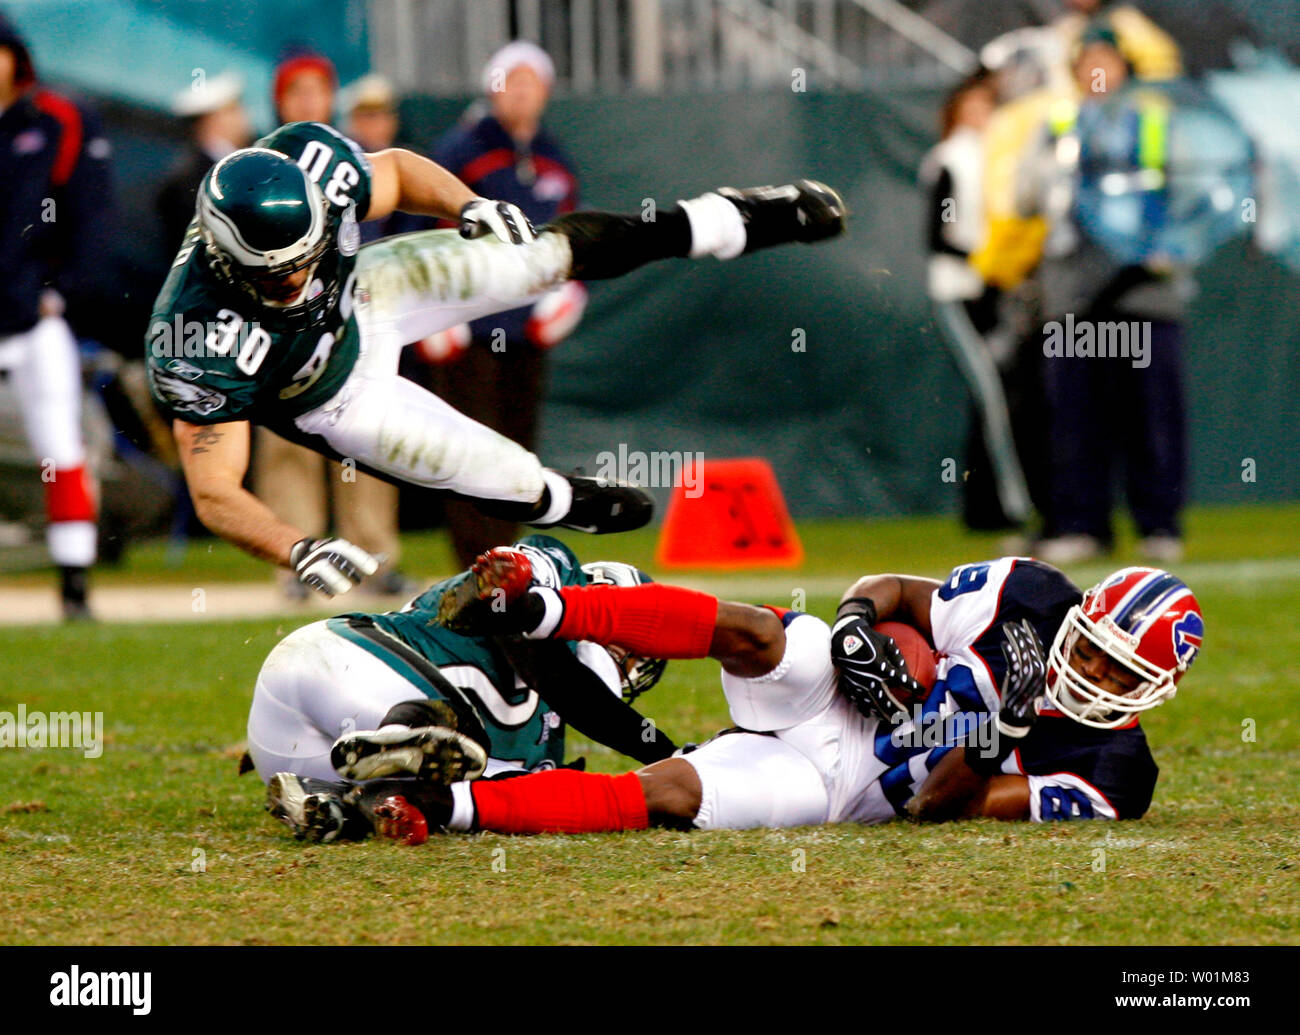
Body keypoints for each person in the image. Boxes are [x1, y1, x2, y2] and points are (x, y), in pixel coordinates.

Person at [145, 113, 846, 598]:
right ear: (226, 257)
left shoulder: (312, 169)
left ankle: (727, 218)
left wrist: (466, 204)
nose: (295, 280)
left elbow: (393, 171)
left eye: (303, 259)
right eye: (276, 275)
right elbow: (214, 488)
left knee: (538, 256)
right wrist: (293, 546)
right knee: (501, 475)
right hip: (330, 394)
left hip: (367, 294)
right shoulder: (194, 333)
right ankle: (564, 500)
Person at [318, 545, 1201, 840]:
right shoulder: (1034, 596)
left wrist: (984, 733)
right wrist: (858, 625)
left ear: (1155, 689)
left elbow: (939, 813)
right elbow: (895, 591)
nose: (1090, 671)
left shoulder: (1115, 771)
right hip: (850, 701)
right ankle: (537, 603)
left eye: (1121, 673)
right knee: (764, 633)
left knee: (672, 795)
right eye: (1090, 646)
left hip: (852, 787)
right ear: (1077, 617)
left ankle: (438, 804)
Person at [253, 535, 681, 843]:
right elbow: (562, 675)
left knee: (449, 783)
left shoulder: (548, 740)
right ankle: (401, 733)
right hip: (344, 657)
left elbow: (496, 802)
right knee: (460, 741)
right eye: (633, 646)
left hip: (292, 744)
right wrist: (670, 758)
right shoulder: (557, 572)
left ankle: (335, 805)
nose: (632, 662)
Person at [255, 51, 415, 600]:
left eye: (316, 91)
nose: (306, 102)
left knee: (364, 434)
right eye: (295, 92)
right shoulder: (259, 161)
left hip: (352, 311)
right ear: (279, 101)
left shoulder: (349, 160)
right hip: (280, 317)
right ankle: (295, 558)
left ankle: (373, 556)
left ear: (331, 98)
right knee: (287, 446)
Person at [1028, 28, 1190, 564]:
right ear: (1075, 69)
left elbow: (1192, 194)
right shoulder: (1056, 124)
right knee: (1074, 415)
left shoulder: (1156, 120)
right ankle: (1080, 525)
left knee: (1151, 413)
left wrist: (1170, 247)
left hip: (1144, 293)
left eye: (1109, 60)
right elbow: (1021, 194)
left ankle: (1159, 525)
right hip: (1074, 293)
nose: (1099, 71)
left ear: (1125, 66)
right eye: (1088, 61)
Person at [428, 41, 585, 568]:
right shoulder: (462, 148)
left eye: (531, 83)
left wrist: (567, 289)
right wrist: (436, 306)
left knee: (518, 442)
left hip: (527, 324)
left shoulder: (554, 152)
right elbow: (431, 225)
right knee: (468, 440)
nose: (522, 93)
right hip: (470, 321)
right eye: (512, 82)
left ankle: (508, 552)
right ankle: (472, 559)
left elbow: (568, 228)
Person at [0, 12, 112, 619]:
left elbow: (92, 216)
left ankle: (75, 589)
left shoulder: (59, 119)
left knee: (60, 448)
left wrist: (63, 291)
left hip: (35, 317)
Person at [922, 70, 1040, 534]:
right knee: (991, 398)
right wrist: (984, 259)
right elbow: (937, 236)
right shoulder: (948, 161)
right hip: (958, 292)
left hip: (994, 293)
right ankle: (1011, 508)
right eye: (969, 109)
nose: (978, 117)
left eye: (985, 108)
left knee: (999, 399)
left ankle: (985, 509)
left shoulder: (1001, 162)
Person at [156, 72, 253, 253]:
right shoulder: (189, 182)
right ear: (210, 121)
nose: (243, 117)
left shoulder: (215, 170)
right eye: (232, 110)